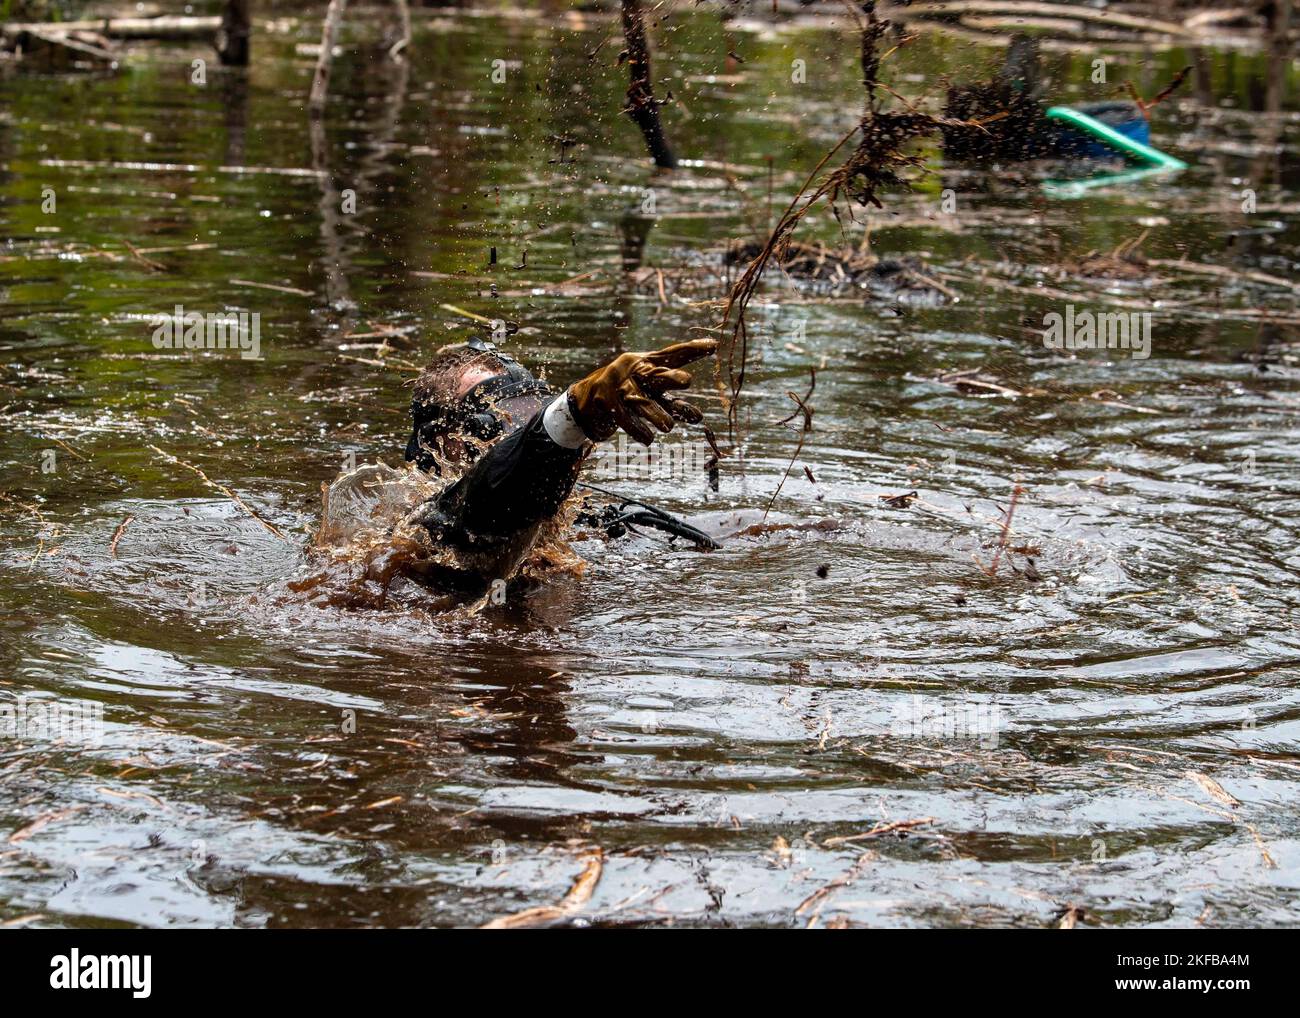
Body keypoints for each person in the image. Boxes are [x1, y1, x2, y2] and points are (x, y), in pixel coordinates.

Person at [399, 334, 717, 587]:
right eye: (495, 423)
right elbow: (485, 499)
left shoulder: (584, 524)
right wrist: (572, 414)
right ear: (440, 444)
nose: (515, 433)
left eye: (527, 416)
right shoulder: (421, 530)